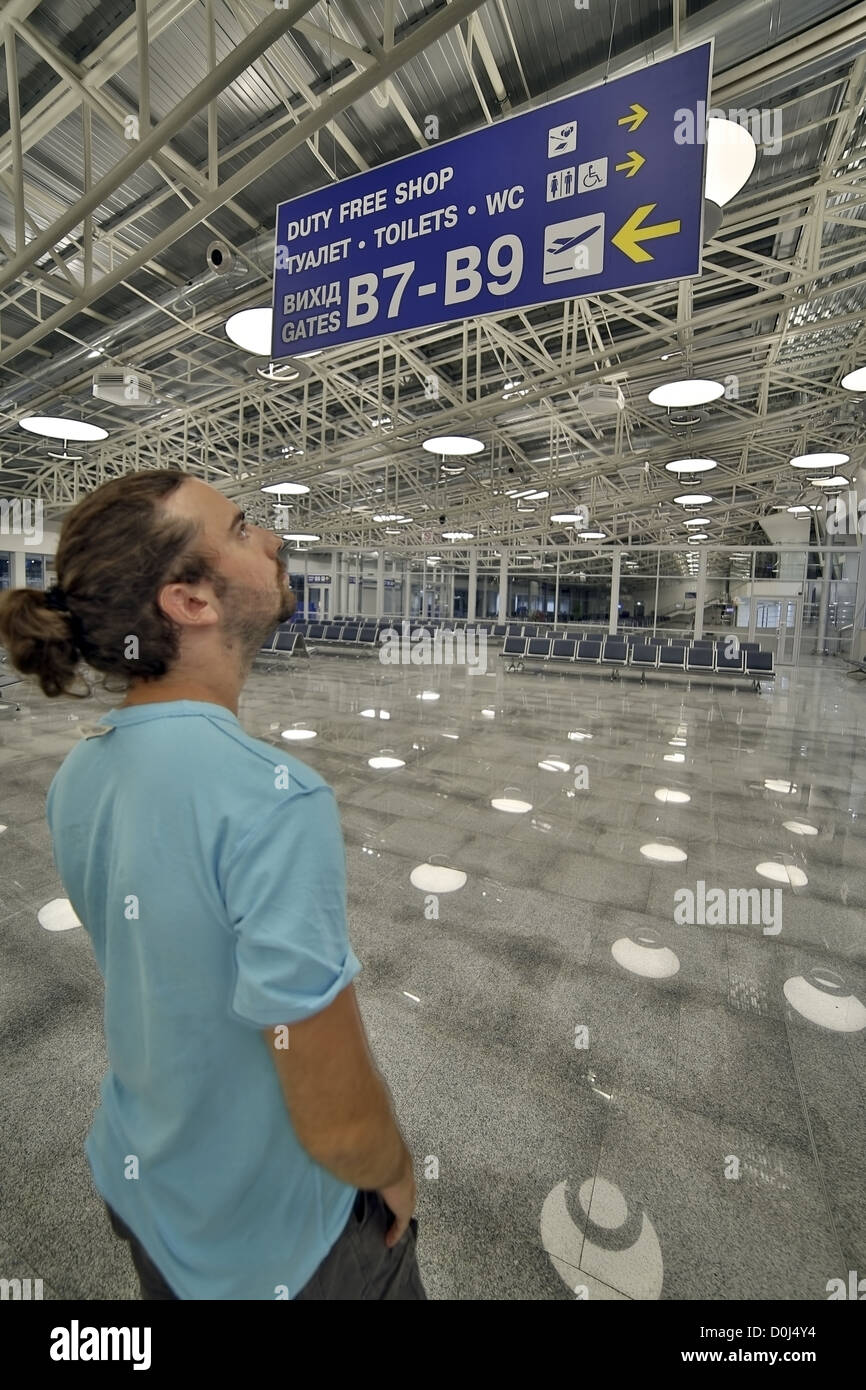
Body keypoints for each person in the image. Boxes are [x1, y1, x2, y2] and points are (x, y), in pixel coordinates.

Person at [0, 469, 425, 1301]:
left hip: (148, 1187)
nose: (270, 539)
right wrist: (396, 1169)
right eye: (239, 530)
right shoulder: (273, 797)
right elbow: (335, 1112)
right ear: (189, 601)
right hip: (275, 1246)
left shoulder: (81, 772)